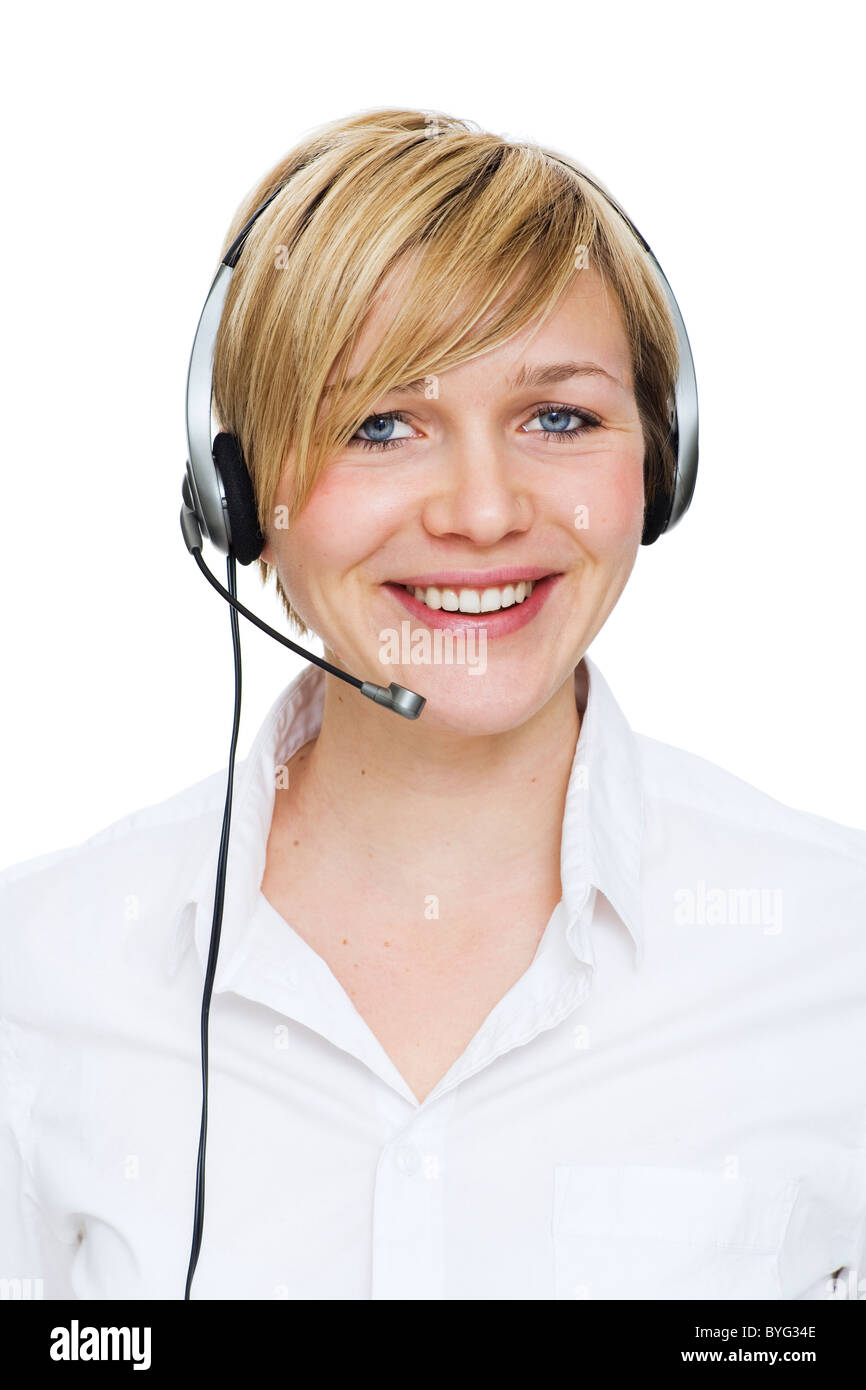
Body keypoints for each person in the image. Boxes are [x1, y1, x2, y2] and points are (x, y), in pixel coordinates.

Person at [2, 107, 864, 1302]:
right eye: (380, 424)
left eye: (557, 417)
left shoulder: (834, 953)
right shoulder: (39, 972)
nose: (480, 510)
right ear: (238, 494)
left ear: (659, 465)